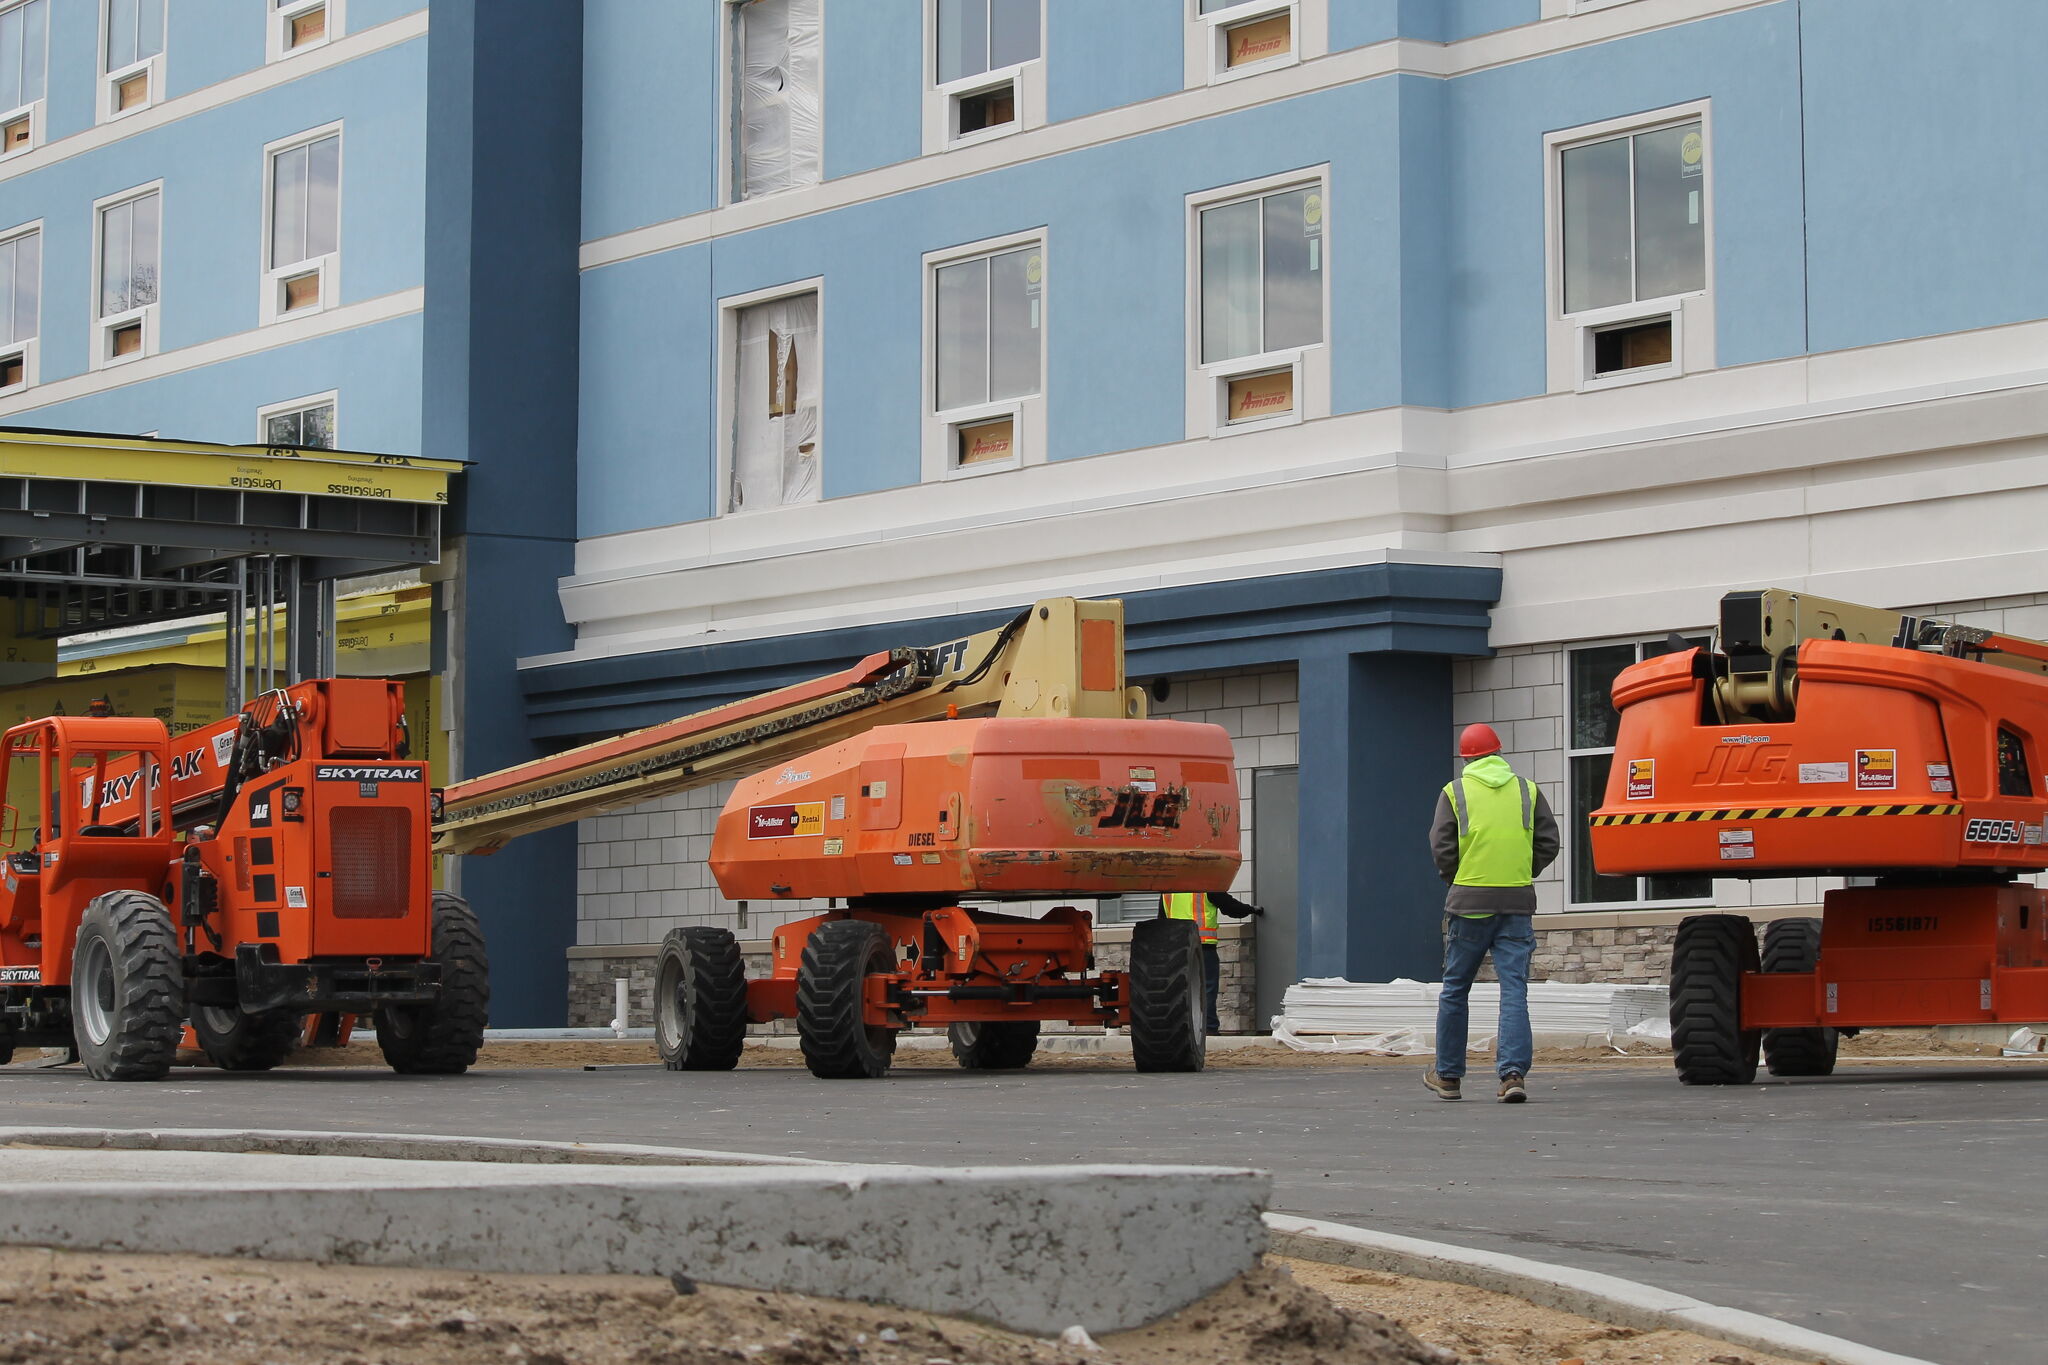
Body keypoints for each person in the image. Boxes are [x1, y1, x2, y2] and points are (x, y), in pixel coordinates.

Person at [1424, 723, 1559, 1103]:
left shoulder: (1454, 792)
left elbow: (1442, 847)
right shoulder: (1526, 790)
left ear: (1466, 758)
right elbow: (1549, 841)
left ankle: (1448, 1076)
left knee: (1455, 989)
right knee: (1514, 989)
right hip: (1516, 901)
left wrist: (1459, 881)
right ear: (1499, 752)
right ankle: (1512, 1075)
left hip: (1469, 904)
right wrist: (1522, 871)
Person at [1162, 890, 1263, 1034]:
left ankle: (1181, 1029)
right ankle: (1209, 1028)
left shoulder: (1169, 891)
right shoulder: (1206, 884)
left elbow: (1161, 918)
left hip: (1175, 947)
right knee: (1206, 988)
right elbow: (1231, 908)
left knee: (1179, 988)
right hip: (1202, 946)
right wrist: (1251, 909)